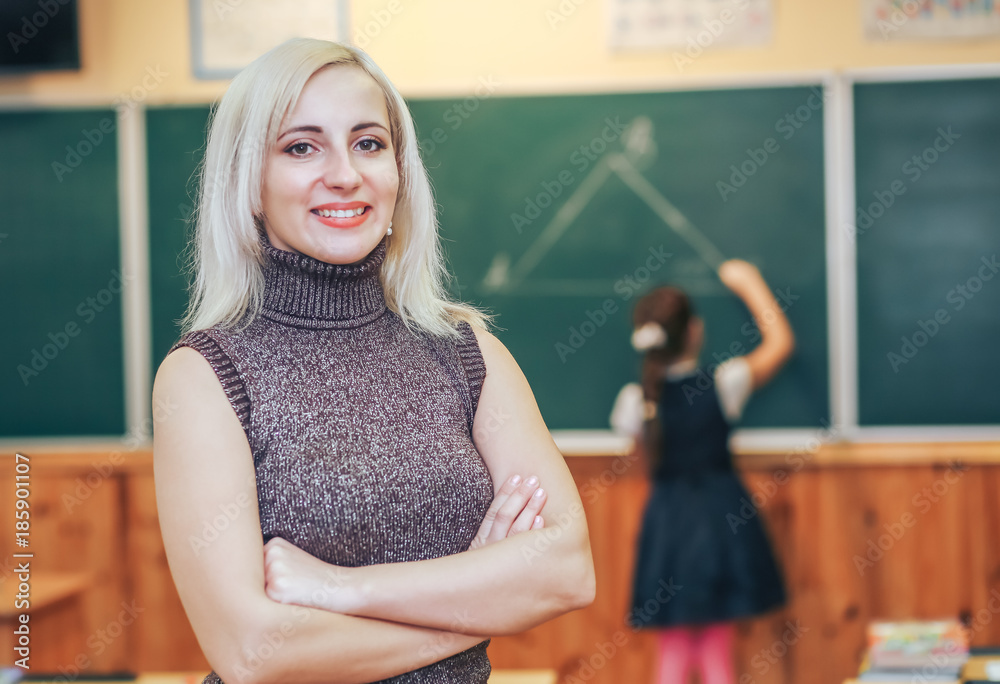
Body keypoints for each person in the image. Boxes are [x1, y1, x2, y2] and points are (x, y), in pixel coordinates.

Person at [152, 37, 595, 684]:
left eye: (368, 143)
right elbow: (255, 652)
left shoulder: (466, 353)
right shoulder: (204, 377)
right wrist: (480, 597)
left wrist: (338, 589)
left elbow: (567, 572)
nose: (345, 174)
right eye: (301, 146)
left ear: (399, 171)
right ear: (250, 182)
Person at [608, 259, 794, 684]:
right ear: (694, 331)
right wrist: (751, 284)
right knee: (715, 645)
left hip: (668, 525)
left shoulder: (634, 402)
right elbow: (780, 343)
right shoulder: (726, 382)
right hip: (722, 519)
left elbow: (643, 466)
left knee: (672, 647)